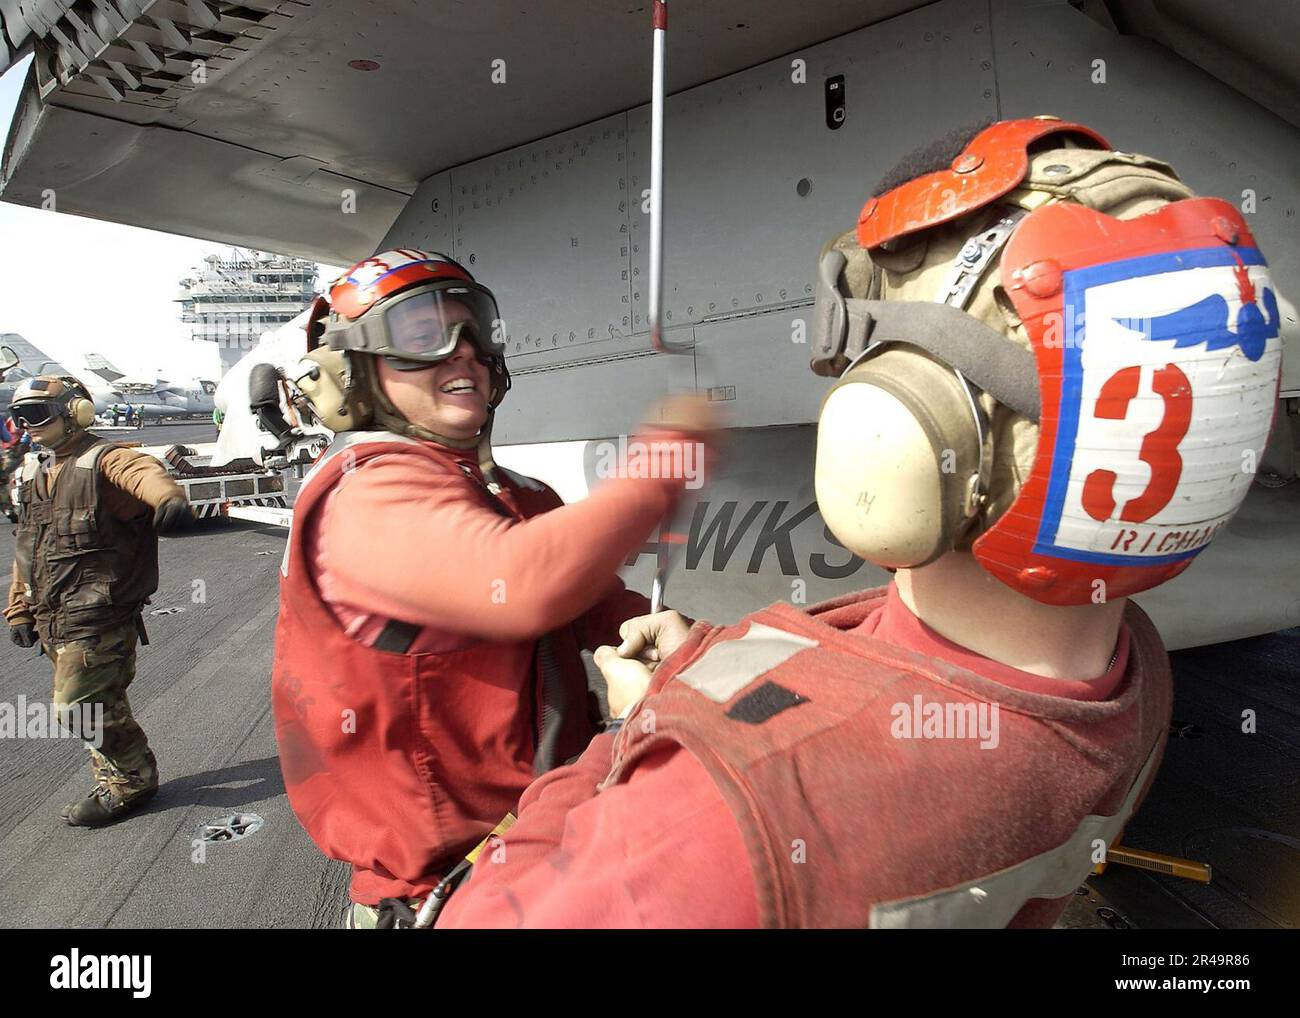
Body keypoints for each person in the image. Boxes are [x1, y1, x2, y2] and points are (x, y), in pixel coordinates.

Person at [436, 116, 1285, 928]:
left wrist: (630, 739)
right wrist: (698, 675)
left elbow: (502, 905)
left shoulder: (711, 823)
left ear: (902, 426)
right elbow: (882, 684)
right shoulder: (1125, 671)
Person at [270, 250, 713, 928]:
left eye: (474, 330)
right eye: (424, 336)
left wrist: (677, 636)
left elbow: (585, 604)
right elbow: (525, 581)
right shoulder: (360, 497)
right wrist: (667, 459)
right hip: (445, 897)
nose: (464, 354)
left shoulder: (521, 498)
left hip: (553, 852)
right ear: (350, 373)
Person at [5, 375, 195, 826]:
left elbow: (143, 473)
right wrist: (18, 606)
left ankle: (132, 781)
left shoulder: (104, 461)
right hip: (55, 618)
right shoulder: (37, 471)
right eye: (20, 416)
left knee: (78, 706)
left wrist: (167, 499)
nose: (27, 425)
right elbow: (28, 545)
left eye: (37, 413)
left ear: (76, 412)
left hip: (99, 615)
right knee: (100, 705)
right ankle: (114, 776)